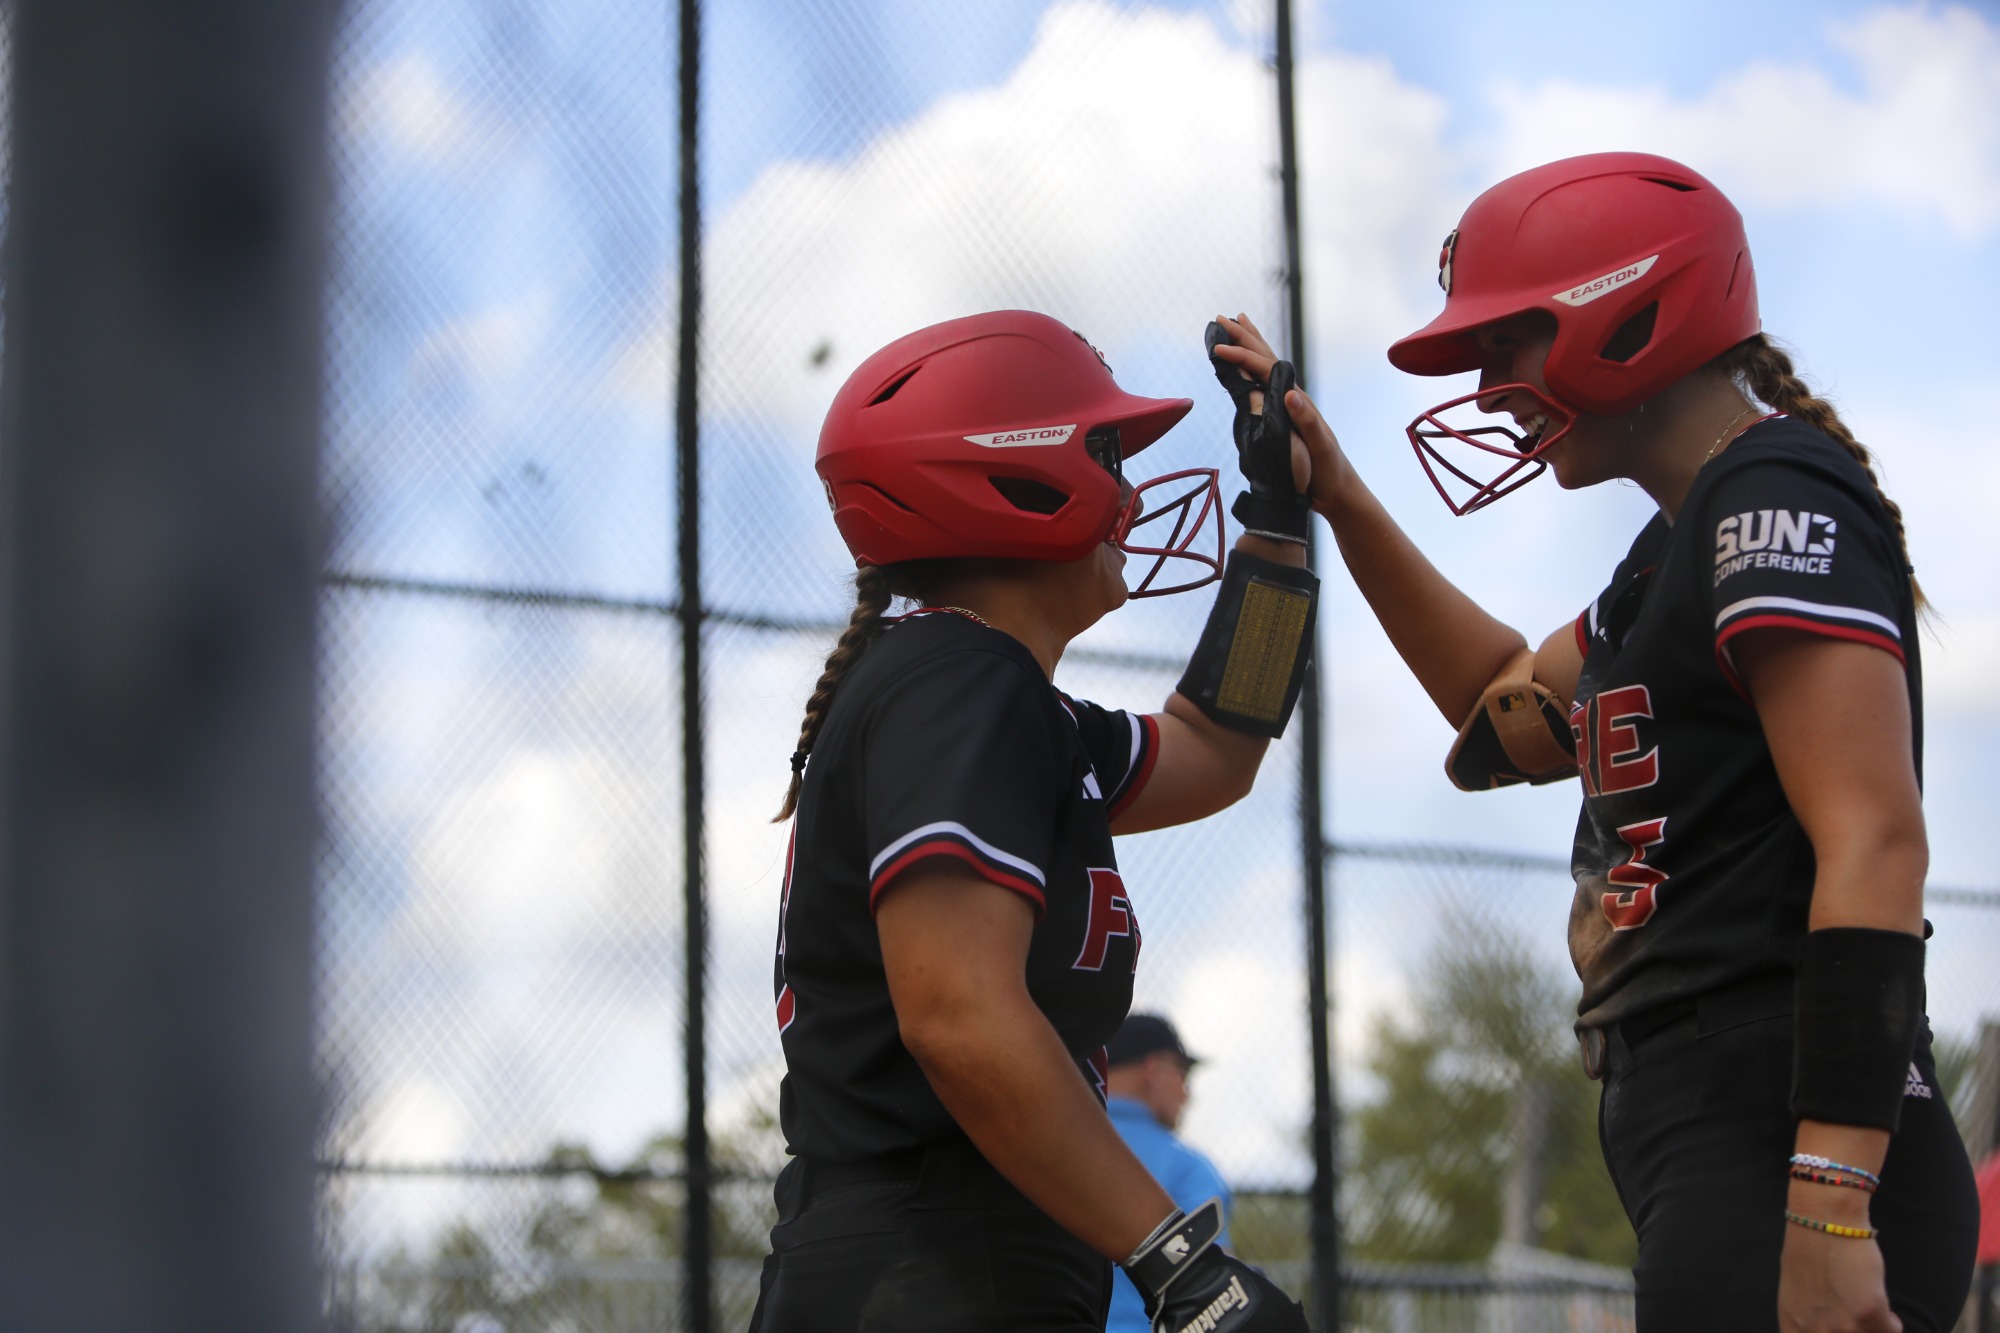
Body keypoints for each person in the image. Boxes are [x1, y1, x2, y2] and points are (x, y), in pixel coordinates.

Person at [1211, 152, 1980, 1331]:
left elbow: (1874, 841)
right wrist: (1340, 496)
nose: (1484, 388)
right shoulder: (1673, 544)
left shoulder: (1774, 492)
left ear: (1629, 308)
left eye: (1504, 344)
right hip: (1711, 1114)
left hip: (1783, 1114)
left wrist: (1828, 1197)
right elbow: (1493, 718)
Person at [748, 310, 1312, 1333]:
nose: (1132, 493)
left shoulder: (983, 690)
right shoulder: (962, 681)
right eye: (1104, 452)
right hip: (928, 1264)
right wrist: (1180, 1266)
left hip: (935, 1259)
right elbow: (958, 1015)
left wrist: (1274, 518)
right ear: (1014, 477)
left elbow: (1213, 752)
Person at [1102, 1014, 1234, 1333]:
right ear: (1153, 1070)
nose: (1187, 1094)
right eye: (1183, 1073)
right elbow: (1214, 1301)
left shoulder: (1047, 1149)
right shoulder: (1188, 1169)